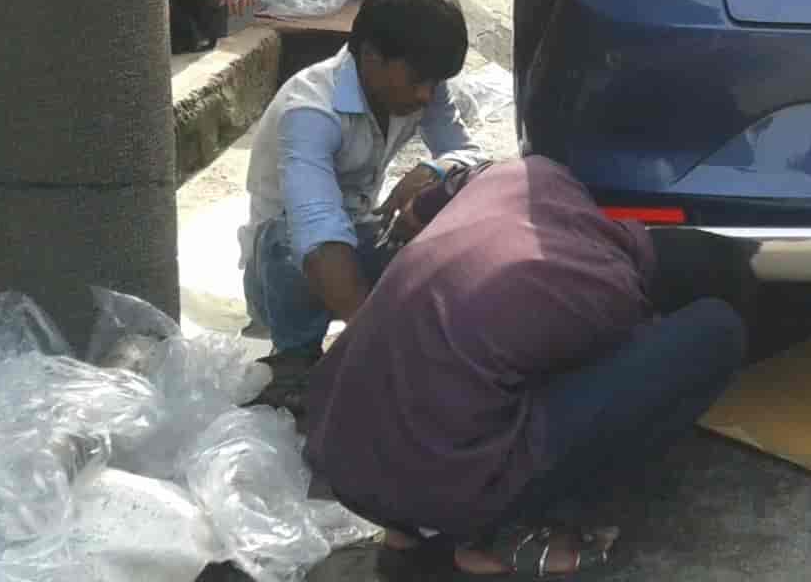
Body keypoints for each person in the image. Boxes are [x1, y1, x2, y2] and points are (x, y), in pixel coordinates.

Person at [304, 155, 749, 578]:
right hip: (442, 486)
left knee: (472, 354)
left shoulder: (526, 174)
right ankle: (502, 531)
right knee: (717, 331)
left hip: (341, 455)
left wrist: (422, 210)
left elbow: (452, 184)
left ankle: (406, 532)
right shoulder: (610, 285)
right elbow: (619, 388)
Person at [240, 0, 482, 362]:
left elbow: (468, 155)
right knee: (287, 237)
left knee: (452, 202)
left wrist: (436, 170)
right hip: (284, 273)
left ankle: (417, 338)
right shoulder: (310, 109)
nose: (425, 95)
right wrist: (373, 350)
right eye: (418, 81)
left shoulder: (422, 86)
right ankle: (295, 358)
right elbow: (317, 230)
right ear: (371, 56)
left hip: (360, 237)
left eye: (434, 83)